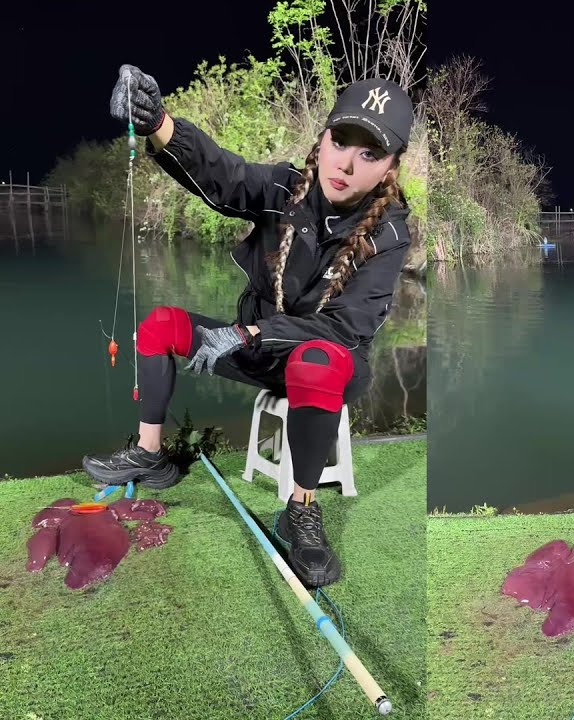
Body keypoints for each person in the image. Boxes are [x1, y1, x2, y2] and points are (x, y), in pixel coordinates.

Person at [82, 64, 415, 587]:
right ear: (323, 138)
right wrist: (158, 123)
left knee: (316, 361)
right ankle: (150, 456)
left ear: (392, 165)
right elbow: (223, 175)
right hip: (258, 349)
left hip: (328, 363)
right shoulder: (285, 188)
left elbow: (347, 329)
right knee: (160, 326)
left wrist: (247, 334)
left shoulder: (390, 234)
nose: (347, 164)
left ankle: (300, 509)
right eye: (340, 141)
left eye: (370, 154)